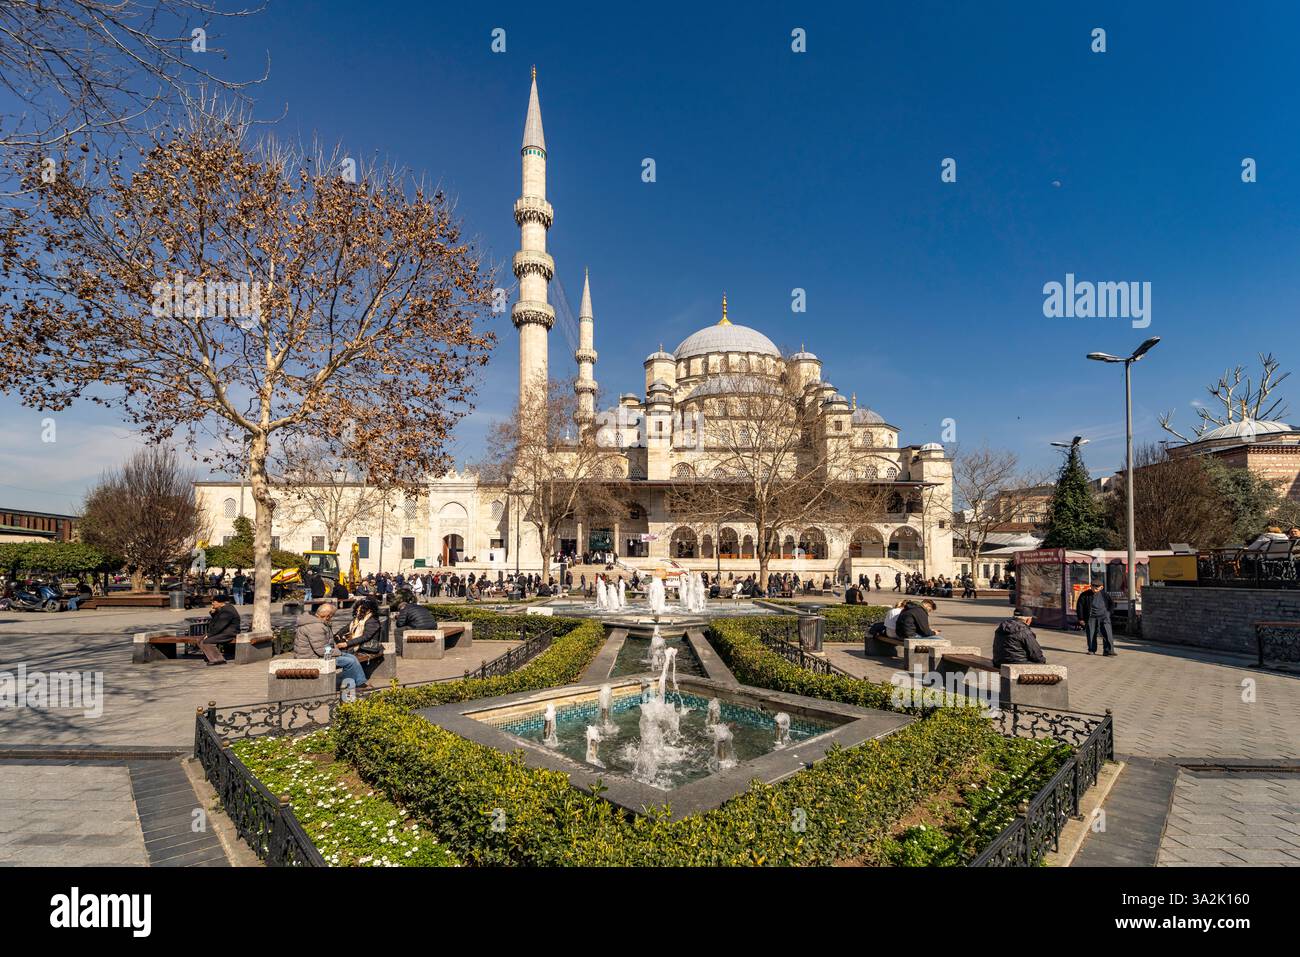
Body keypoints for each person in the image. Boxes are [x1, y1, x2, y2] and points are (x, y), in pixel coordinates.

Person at [293, 602, 369, 690]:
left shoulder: (319, 623)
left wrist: (337, 650)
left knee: (352, 657)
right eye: (332, 616)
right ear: (328, 616)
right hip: (312, 658)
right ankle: (347, 688)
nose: (331, 618)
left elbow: (326, 645)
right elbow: (321, 651)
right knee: (349, 662)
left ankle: (360, 683)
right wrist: (338, 652)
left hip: (321, 654)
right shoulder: (316, 627)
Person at [1076, 580, 1116, 656]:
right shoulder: (1084, 595)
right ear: (1090, 586)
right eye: (1093, 586)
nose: (1094, 588)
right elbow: (1079, 607)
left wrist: (1108, 613)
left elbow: (1112, 604)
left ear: (1101, 587)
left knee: (1107, 633)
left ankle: (1108, 651)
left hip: (1104, 617)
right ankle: (1091, 650)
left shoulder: (1105, 595)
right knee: (1091, 633)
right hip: (1091, 617)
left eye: (1097, 587)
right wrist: (1081, 618)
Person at [200, 593, 241, 666]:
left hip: (229, 633)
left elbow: (220, 625)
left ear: (220, 602)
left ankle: (218, 659)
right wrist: (213, 613)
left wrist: (209, 635)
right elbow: (217, 620)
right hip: (223, 631)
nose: (212, 603)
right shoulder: (223, 609)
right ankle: (210, 656)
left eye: (214, 602)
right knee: (200, 639)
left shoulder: (228, 611)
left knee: (207, 641)